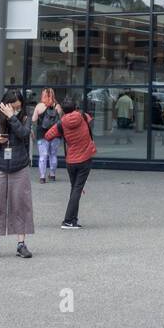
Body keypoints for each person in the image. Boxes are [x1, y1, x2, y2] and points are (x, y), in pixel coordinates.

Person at [0, 89, 35, 259]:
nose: (16, 110)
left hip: (20, 166)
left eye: (19, 107)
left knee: (21, 203)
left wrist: (12, 117)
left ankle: (21, 244)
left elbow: (24, 134)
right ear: (5, 105)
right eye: (13, 107)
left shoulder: (25, 119)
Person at [45, 96, 96, 229]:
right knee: (77, 190)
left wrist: (61, 128)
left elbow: (48, 136)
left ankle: (73, 220)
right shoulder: (83, 117)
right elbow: (91, 121)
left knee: (75, 189)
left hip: (71, 161)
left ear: (63, 110)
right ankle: (68, 220)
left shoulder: (61, 123)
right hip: (85, 158)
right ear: (75, 107)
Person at [33, 88, 62, 183]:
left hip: (42, 134)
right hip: (55, 134)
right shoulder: (58, 107)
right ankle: (52, 175)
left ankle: (42, 177)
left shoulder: (39, 106)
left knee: (43, 156)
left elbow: (34, 119)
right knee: (53, 155)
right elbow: (60, 120)